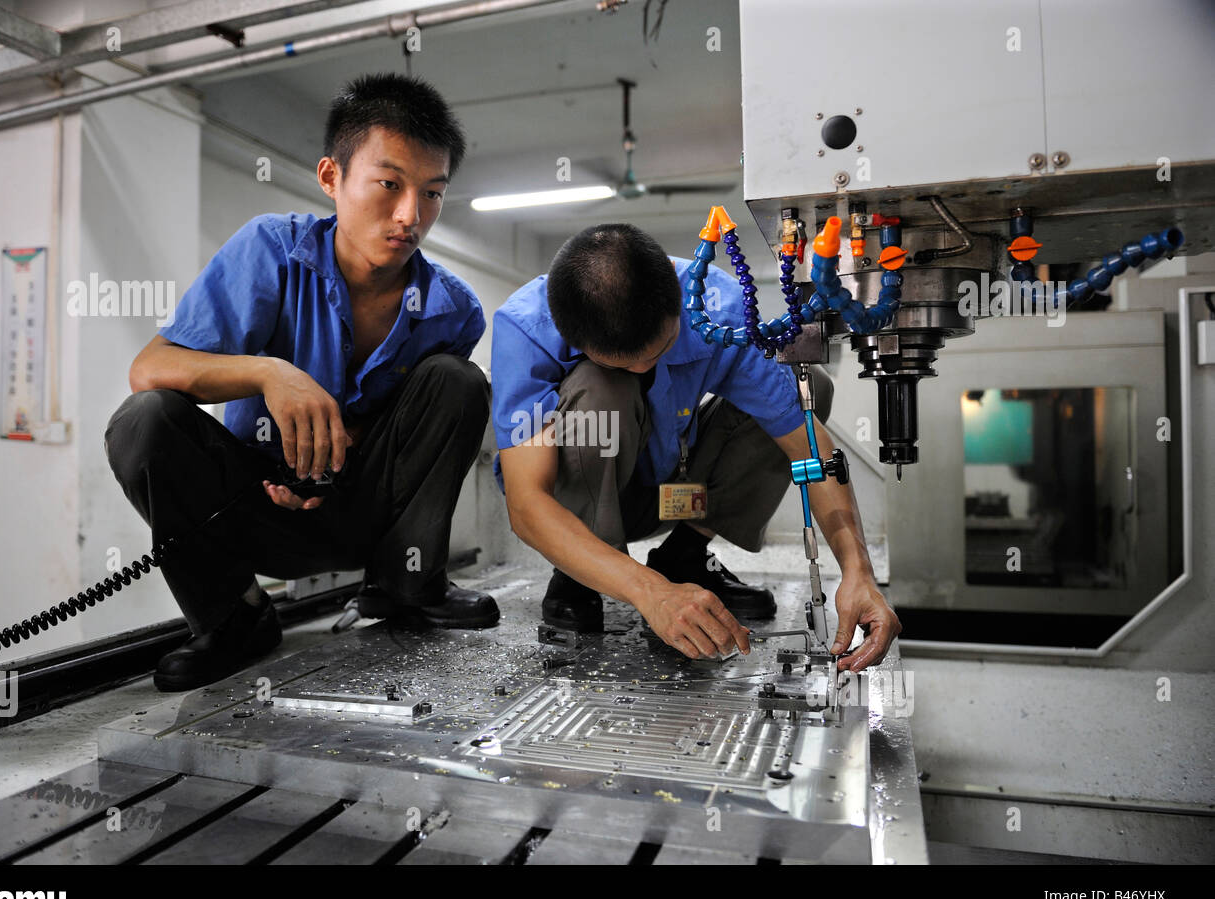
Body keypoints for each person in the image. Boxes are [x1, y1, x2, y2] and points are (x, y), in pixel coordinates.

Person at [105, 73, 498, 692]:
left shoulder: (453, 309)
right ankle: (235, 617)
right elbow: (149, 369)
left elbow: (412, 435)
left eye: (431, 194)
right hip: (255, 510)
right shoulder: (270, 252)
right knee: (144, 419)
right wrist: (269, 374)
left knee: (459, 381)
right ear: (331, 178)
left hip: (363, 515)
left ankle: (406, 585)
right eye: (389, 184)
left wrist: (333, 460)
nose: (409, 216)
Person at [491, 223, 901, 671]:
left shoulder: (715, 307)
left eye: (660, 348)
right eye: (625, 361)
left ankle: (683, 558)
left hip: (674, 488)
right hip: (584, 506)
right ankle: (579, 573)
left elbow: (810, 451)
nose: (646, 368)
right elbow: (527, 503)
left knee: (810, 393)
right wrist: (649, 593)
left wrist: (856, 571)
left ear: (675, 292)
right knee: (600, 388)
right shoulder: (526, 327)